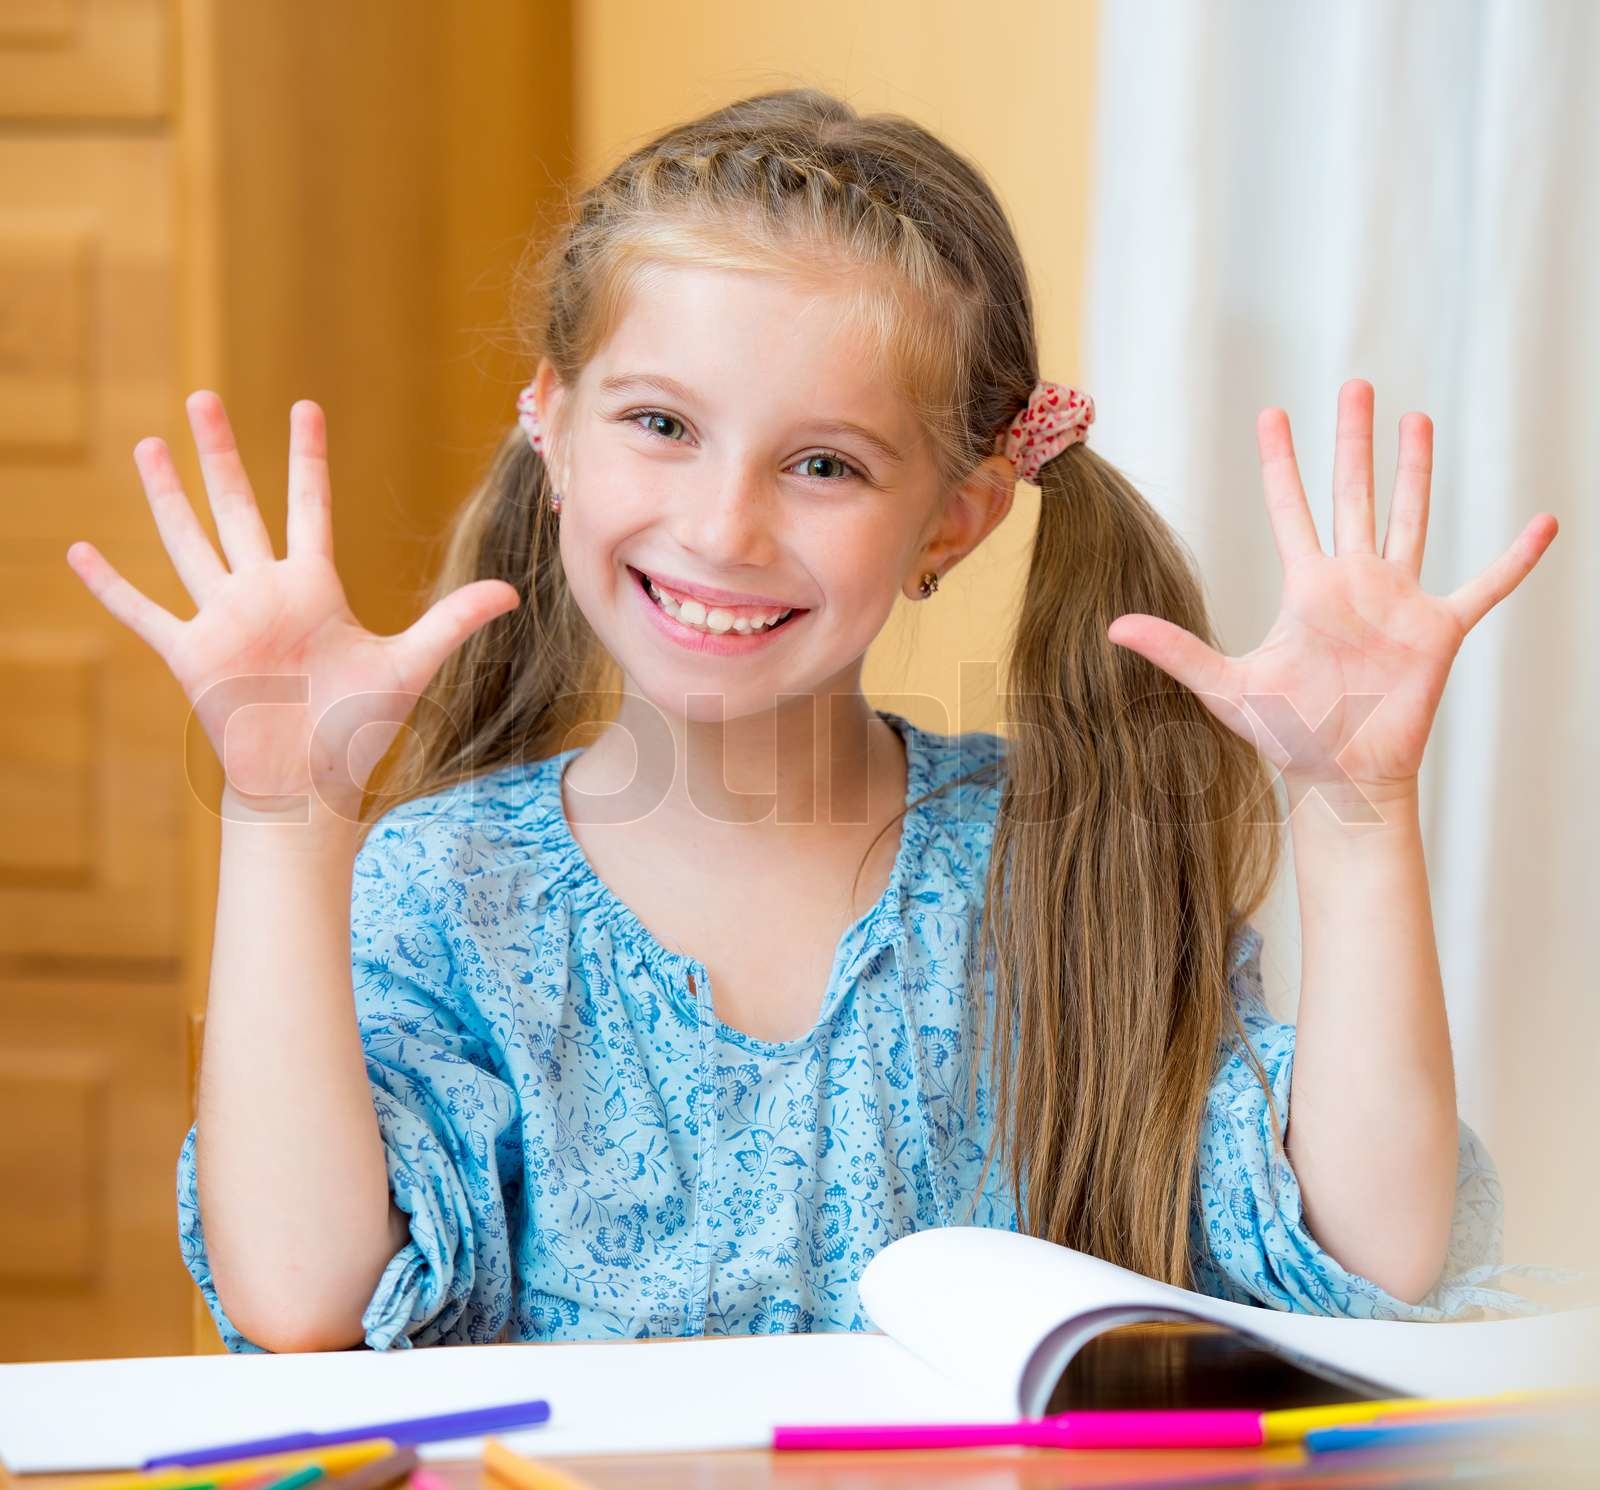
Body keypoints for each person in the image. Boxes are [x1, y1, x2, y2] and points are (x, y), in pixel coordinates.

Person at [67, 88, 1556, 1353]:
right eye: (659, 423)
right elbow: (304, 1301)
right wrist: (282, 819)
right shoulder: (447, 883)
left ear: (954, 523)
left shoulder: (1062, 866)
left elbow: (1373, 1253)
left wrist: (1357, 818)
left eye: (827, 466)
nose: (723, 526)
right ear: (556, 430)